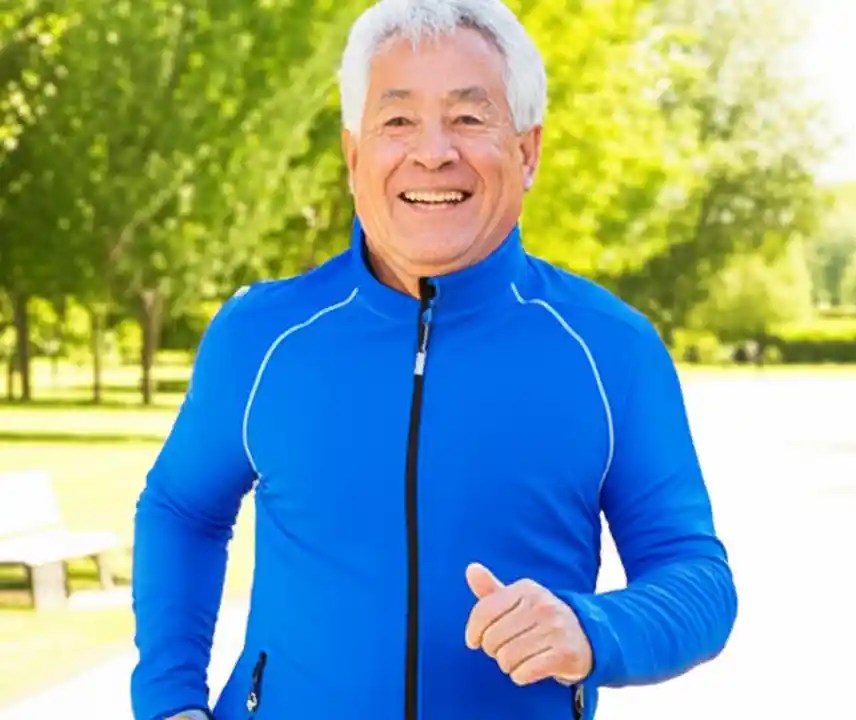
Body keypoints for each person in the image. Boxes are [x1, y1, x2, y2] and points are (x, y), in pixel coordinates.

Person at [128, 1, 738, 718]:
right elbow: (180, 507)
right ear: (355, 156)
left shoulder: (611, 350)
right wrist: (169, 700)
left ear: (527, 150)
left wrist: (591, 628)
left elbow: (697, 578)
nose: (433, 152)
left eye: (470, 118)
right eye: (397, 121)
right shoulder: (260, 336)